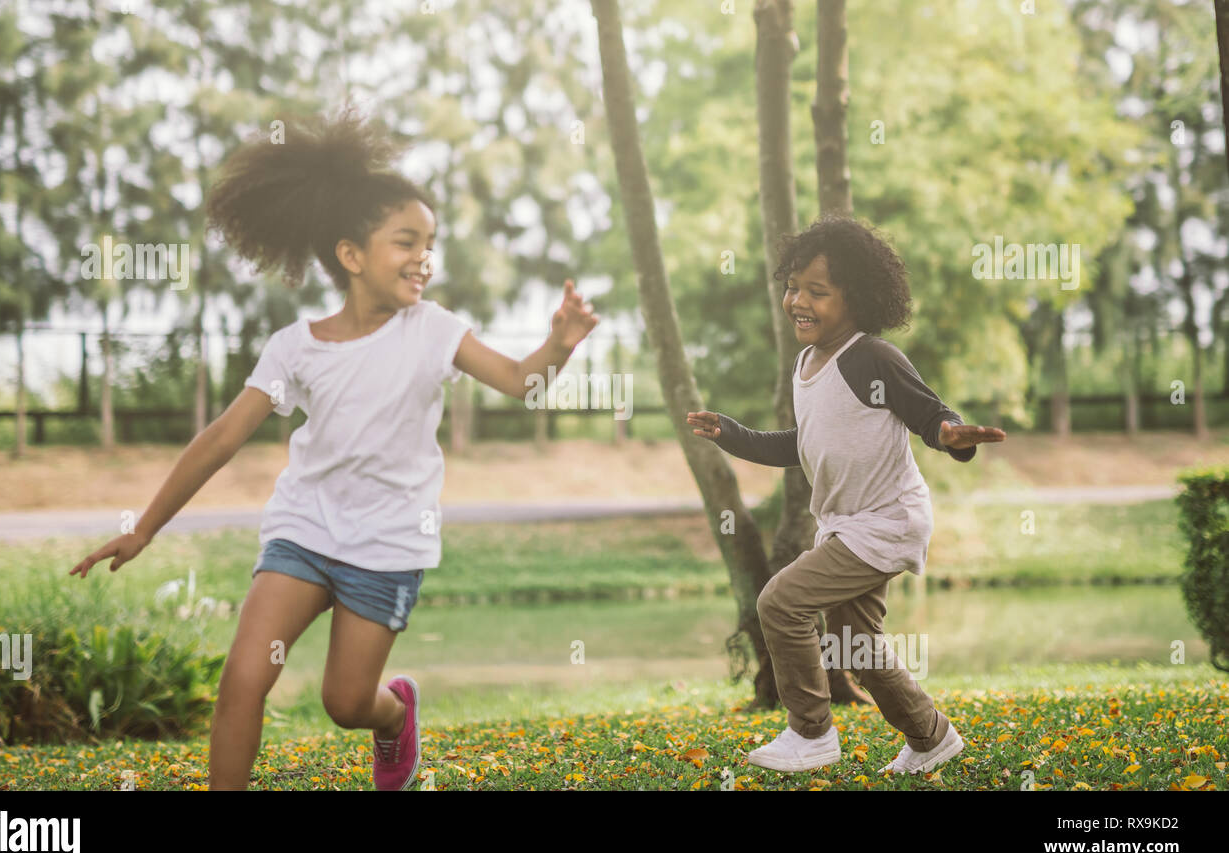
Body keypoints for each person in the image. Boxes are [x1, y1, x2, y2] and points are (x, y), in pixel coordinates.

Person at [69, 104, 598, 791]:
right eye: (406, 242)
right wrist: (142, 527)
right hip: (304, 528)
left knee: (345, 701)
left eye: (428, 243)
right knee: (243, 679)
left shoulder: (433, 329)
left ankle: (392, 714)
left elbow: (518, 382)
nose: (423, 258)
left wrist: (557, 345)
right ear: (352, 255)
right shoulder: (295, 347)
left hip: (389, 541)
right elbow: (222, 438)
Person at [686, 215, 1005, 776]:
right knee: (856, 646)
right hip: (848, 524)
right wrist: (732, 434)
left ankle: (810, 733)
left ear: (855, 298)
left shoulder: (872, 358)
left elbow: (931, 416)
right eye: (792, 286)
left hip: (887, 521)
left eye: (818, 290)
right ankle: (931, 737)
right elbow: (799, 447)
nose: (798, 300)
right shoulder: (807, 363)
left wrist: (953, 437)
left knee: (780, 603)